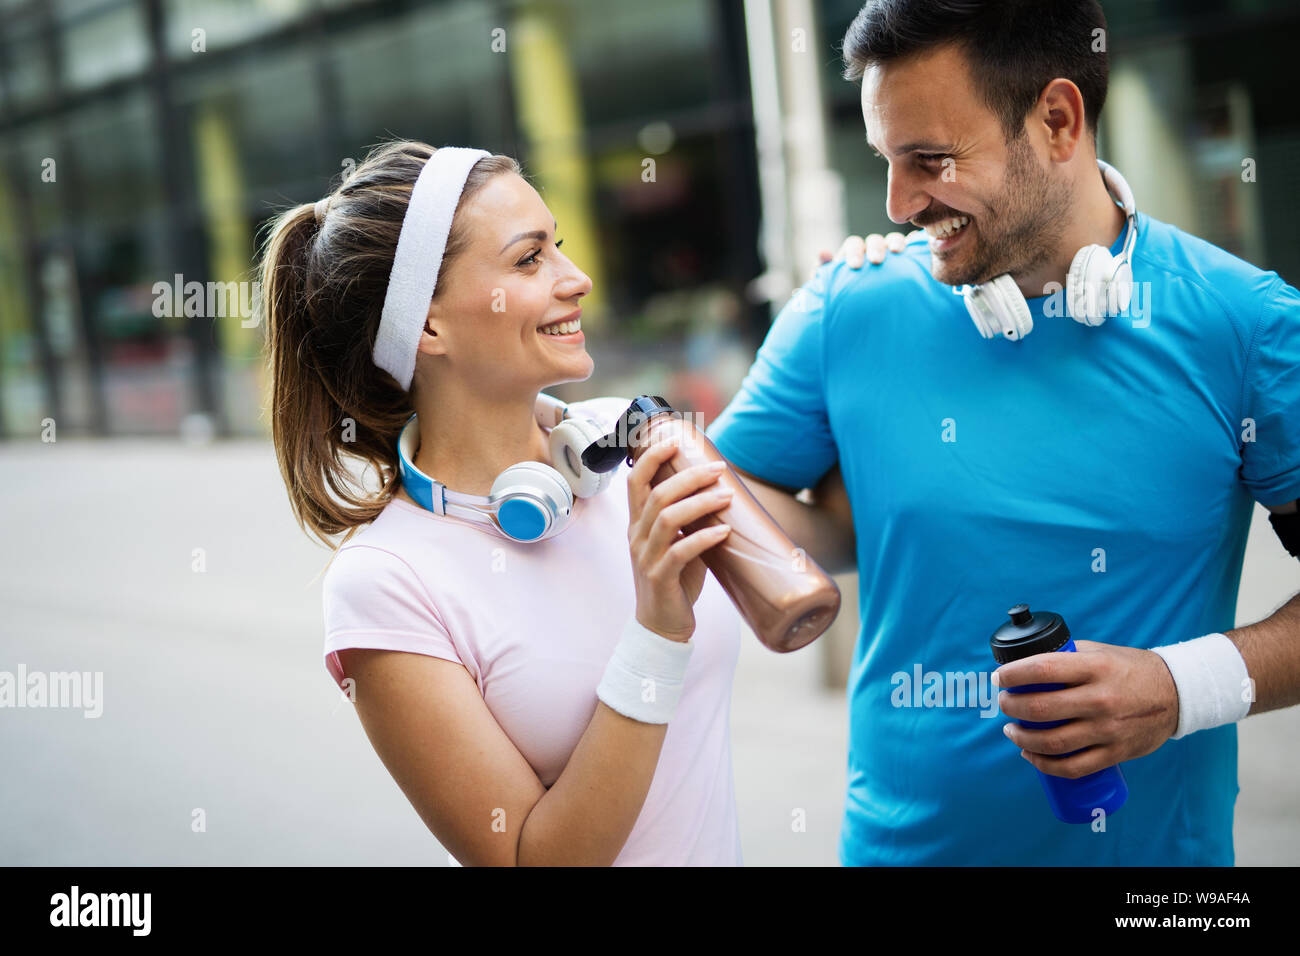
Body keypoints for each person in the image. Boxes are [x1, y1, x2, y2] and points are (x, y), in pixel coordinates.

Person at [708, 0, 1300, 866]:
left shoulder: (1246, 327)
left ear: (1058, 120)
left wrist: (1179, 689)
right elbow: (726, 490)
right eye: (886, 161)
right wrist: (849, 517)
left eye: (929, 160)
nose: (901, 202)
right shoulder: (847, 308)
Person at [257, 140, 803, 865]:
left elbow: (822, 534)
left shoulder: (624, 436)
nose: (576, 279)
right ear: (427, 325)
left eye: (561, 247)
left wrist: (856, 299)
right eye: (528, 259)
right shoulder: (386, 582)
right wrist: (658, 631)